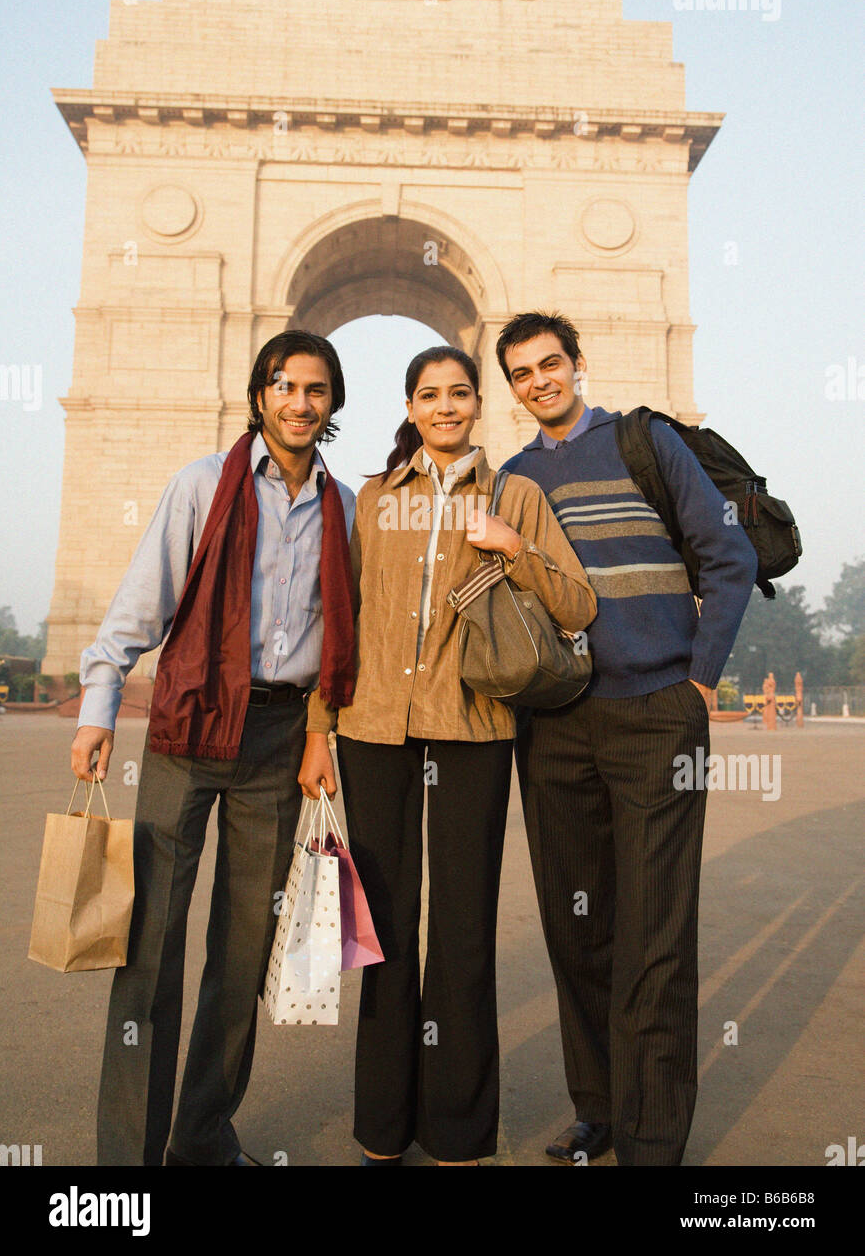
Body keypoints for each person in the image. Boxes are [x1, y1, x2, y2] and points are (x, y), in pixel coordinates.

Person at [298, 345, 596, 1167]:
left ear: (478, 405)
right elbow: (340, 617)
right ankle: (383, 1128)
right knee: (385, 931)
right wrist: (318, 730)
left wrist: (510, 545)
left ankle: (461, 1133)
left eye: (459, 393)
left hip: (473, 727)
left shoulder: (517, 494)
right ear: (408, 407)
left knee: (462, 932)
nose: (445, 407)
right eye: (428, 395)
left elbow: (577, 601)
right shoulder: (373, 499)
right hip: (372, 731)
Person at [70, 330, 356, 1166]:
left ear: (332, 403)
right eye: (284, 385)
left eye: (316, 389)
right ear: (259, 393)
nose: (300, 402)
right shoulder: (204, 484)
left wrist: (319, 732)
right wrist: (98, 704)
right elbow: (144, 596)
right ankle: (126, 1158)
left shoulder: (341, 508)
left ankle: (201, 1134)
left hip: (278, 739)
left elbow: (340, 635)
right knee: (150, 945)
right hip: (190, 722)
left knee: (242, 954)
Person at [497, 310, 757, 1167]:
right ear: (512, 388)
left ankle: (651, 1142)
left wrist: (698, 680)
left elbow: (729, 555)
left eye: (550, 364)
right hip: (558, 726)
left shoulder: (645, 444)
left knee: (654, 936)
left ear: (577, 364)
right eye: (522, 373)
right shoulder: (511, 478)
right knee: (580, 932)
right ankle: (598, 1111)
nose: (540, 381)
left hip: (656, 713)